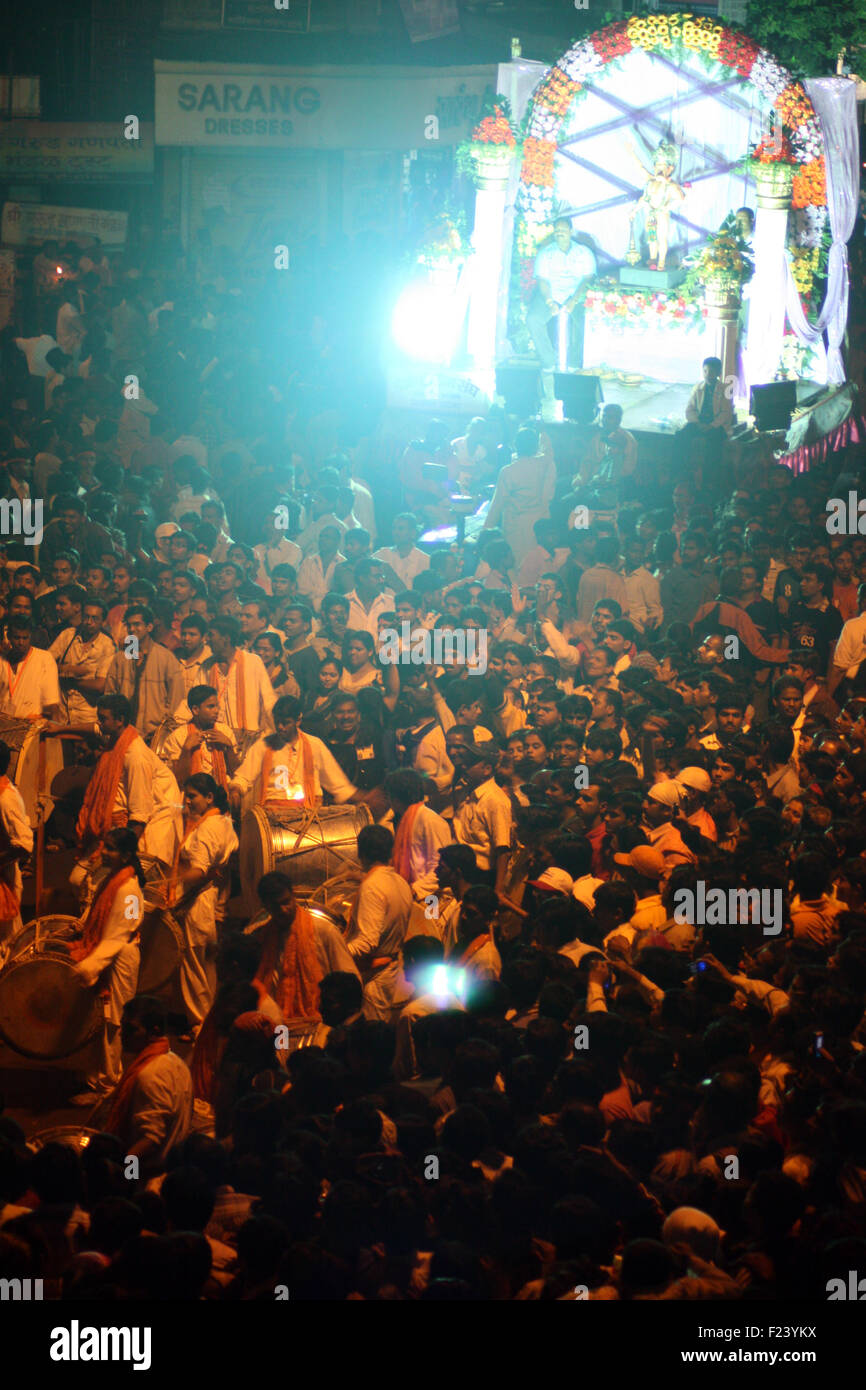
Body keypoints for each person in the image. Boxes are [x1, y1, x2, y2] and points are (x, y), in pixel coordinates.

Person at [69, 828, 145, 1101]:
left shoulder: (129, 889)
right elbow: (100, 909)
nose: (104, 853)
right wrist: (80, 926)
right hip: (112, 952)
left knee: (112, 1022)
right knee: (101, 1019)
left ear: (125, 855)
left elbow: (119, 935)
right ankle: (96, 1075)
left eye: (111, 849)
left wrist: (90, 965)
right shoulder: (115, 879)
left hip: (120, 957)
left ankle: (108, 1085)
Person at [167, 774, 239, 1035]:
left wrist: (171, 880)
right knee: (206, 965)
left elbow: (199, 870)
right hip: (211, 900)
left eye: (193, 796)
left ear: (209, 798)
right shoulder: (223, 821)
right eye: (186, 795)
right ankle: (206, 1020)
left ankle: (200, 1024)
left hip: (199, 902)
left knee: (193, 965)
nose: (187, 801)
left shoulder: (208, 827)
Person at [92, 995, 193, 1173]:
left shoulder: (150, 1075)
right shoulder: (176, 1061)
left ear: (153, 1032)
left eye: (131, 1029)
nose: (122, 1033)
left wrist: (127, 1173)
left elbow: (150, 1141)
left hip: (148, 1173)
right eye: (123, 1026)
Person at [252, 870, 359, 1023]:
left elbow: (350, 982)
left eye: (286, 902)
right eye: (276, 906)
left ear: (293, 895)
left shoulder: (324, 931)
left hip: (320, 1023)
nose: (283, 910)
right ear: (265, 906)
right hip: (279, 1026)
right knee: (280, 1047)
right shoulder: (262, 937)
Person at [345, 824, 413, 1021]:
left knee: (372, 1042)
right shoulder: (401, 882)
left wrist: (335, 950)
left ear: (361, 852)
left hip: (374, 979)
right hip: (391, 970)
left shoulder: (372, 887)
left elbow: (367, 943)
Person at [527, 216, 596, 377]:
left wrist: (574, 301)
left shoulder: (584, 253)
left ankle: (574, 362)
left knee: (585, 320)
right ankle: (548, 361)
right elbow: (542, 280)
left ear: (571, 231)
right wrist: (549, 301)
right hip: (551, 295)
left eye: (563, 231)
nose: (560, 234)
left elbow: (588, 279)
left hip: (576, 295)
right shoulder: (546, 253)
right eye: (557, 231)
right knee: (533, 319)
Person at [103, 605, 185, 740]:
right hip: (124, 733)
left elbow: (176, 700)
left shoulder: (166, 658)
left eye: (137, 624)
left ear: (149, 627)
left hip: (154, 735)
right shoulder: (121, 658)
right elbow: (110, 694)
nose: (132, 629)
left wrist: (163, 729)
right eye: (129, 625)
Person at [482, 425, 556, 569]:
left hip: (515, 526)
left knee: (517, 566)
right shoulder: (545, 465)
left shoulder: (508, 471)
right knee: (536, 566)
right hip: (539, 524)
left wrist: (485, 532)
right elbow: (548, 451)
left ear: (515, 445)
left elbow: (497, 505)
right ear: (535, 446)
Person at [385, 768, 452, 899]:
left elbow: (441, 867)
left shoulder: (430, 820)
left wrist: (414, 890)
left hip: (432, 899)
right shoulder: (404, 820)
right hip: (411, 894)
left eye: (389, 796)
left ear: (396, 799)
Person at [159, 684, 239, 790]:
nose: (216, 711)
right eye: (211, 706)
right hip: (191, 796)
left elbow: (237, 773)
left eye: (217, 706)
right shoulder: (178, 736)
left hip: (221, 793)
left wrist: (229, 747)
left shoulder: (225, 731)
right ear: (195, 710)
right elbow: (179, 780)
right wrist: (186, 750)